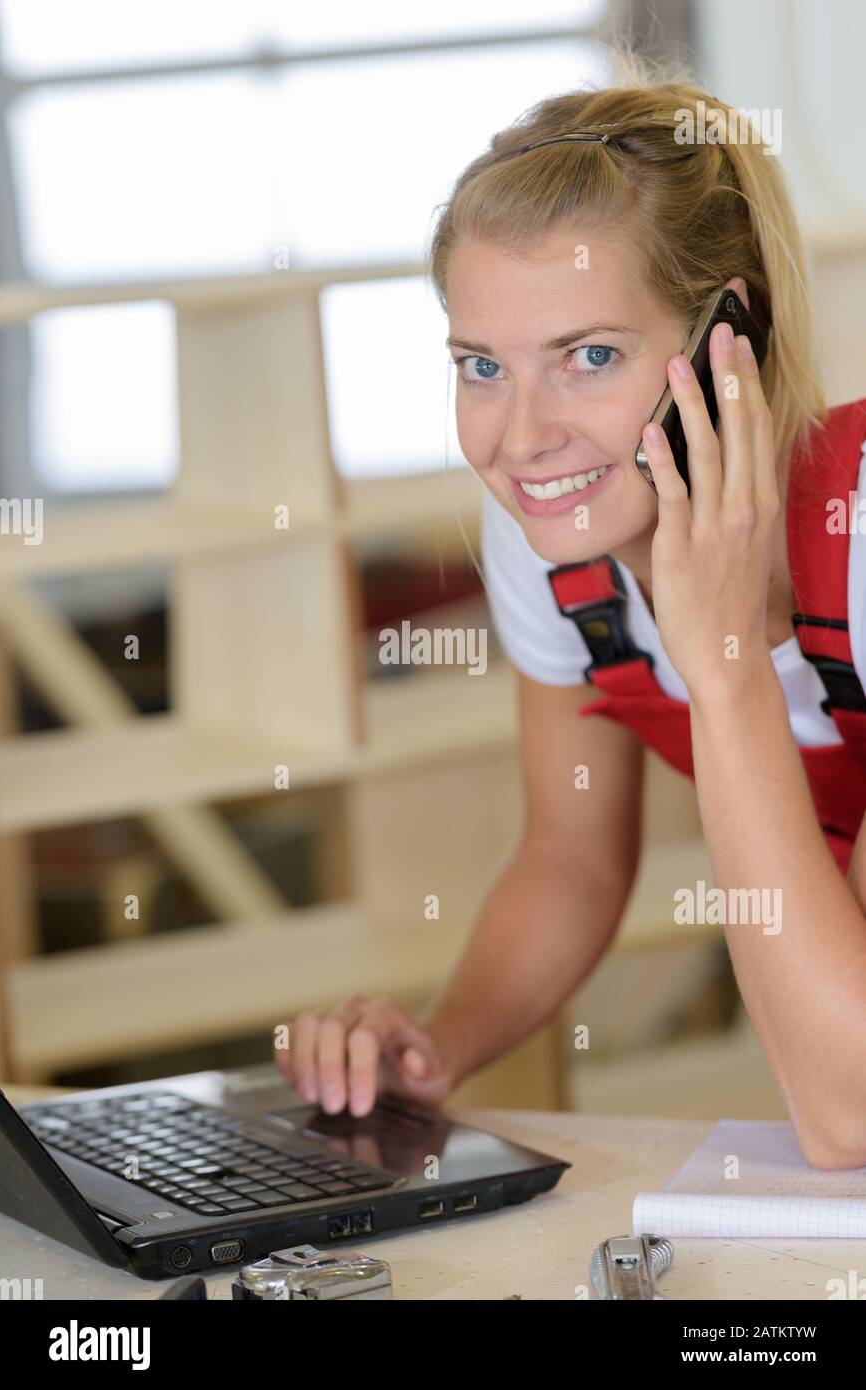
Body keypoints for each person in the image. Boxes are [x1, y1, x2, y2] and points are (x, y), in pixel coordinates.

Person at [275, 51, 866, 1168]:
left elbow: (848, 1112)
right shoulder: (559, 544)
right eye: (482, 366)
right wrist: (435, 1049)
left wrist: (725, 654)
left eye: (588, 357)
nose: (521, 440)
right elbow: (571, 856)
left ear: (725, 340)